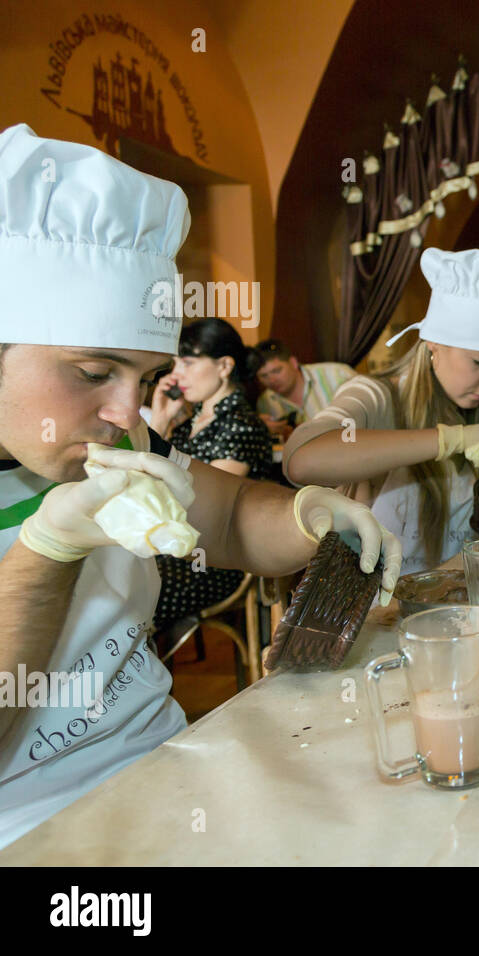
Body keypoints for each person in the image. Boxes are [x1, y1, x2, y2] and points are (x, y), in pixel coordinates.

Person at [0, 125, 400, 849]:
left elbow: (232, 518)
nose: (127, 414)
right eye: (93, 373)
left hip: (166, 769)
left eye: (147, 379)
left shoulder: (121, 437)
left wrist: (310, 513)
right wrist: (48, 550)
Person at [283, 248, 479, 578]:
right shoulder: (376, 396)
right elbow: (302, 460)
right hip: (379, 615)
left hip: (456, 610)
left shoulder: (478, 410)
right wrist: (453, 439)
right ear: (434, 345)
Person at [148, 318, 274, 635]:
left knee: (121, 593)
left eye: (188, 363)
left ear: (224, 366)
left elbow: (205, 511)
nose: (176, 374)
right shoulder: (191, 421)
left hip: (211, 559)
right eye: (174, 363)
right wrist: (161, 421)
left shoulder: (240, 422)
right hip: (175, 546)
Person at [248, 338, 355, 441]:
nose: (272, 380)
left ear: (293, 363)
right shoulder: (265, 403)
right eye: (264, 376)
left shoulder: (338, 375)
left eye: (277, 370)